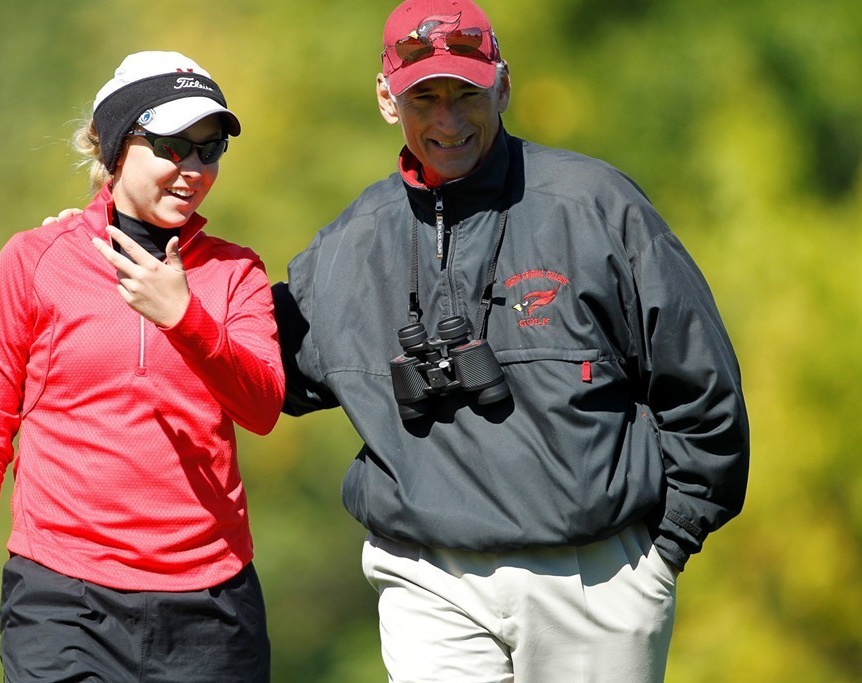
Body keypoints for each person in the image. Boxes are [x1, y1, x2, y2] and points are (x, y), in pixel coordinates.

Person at [270, 0, 750, 681]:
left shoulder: (594, 205)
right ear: (386, 98)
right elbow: (254, 367)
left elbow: (703, 386)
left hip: (596, 577)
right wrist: (149, 257)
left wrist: (661, 551)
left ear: (502, 84)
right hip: (425, 580)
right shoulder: (347, 243)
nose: (447, 119)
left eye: (465, 93)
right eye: (424, 97)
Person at [0, 50, 283, 683]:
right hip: (63, 602)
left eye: (209, 150)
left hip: (212, 609)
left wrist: (186, 319)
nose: (193, 170)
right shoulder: (33, 263)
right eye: (172, 147)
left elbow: (263, 407)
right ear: (117, 146)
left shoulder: (237, 273)